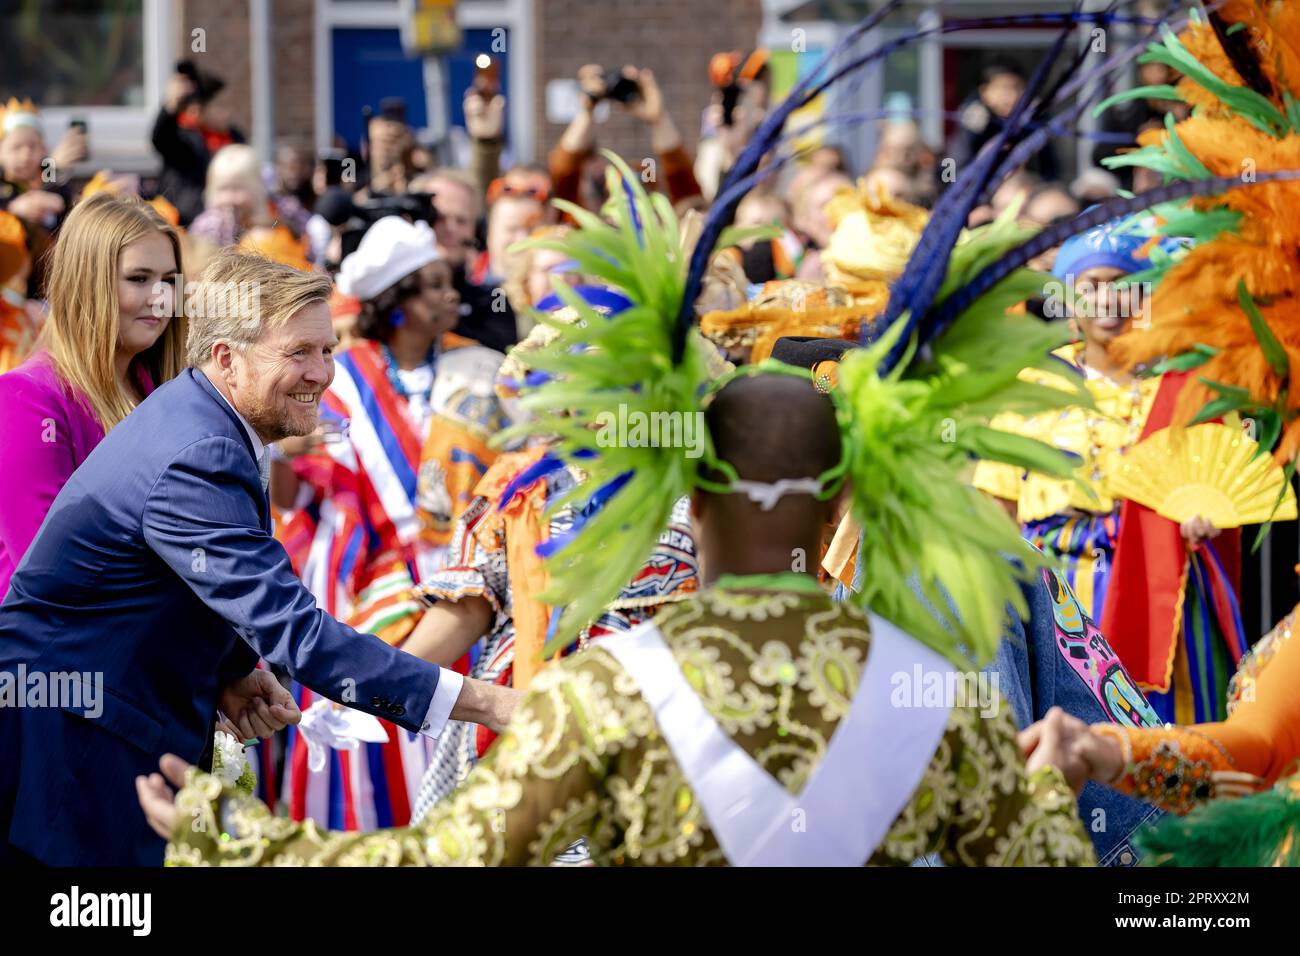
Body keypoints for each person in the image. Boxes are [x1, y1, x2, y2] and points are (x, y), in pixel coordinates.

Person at [143, 372, 1094, 867]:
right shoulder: (928, 695)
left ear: (695, 504)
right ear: (839, 504)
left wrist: (234, 831)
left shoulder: (604, 696)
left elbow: (442, 856)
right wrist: (1052, 779)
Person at [0, 249, 516, 866]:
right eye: (299, 352)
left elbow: (190, 582)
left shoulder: (208, 419)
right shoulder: (200, 451)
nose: (323, 374)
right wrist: (490, 703)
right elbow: (297, 630)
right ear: (227, 358)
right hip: (66, 752)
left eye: (328, 350)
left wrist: (234, 670)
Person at [270, 216, 511, 829]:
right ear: (396, 304)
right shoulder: (340, 381)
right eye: (430, 285)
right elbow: (298, 497)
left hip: (467, 582)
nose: (449, 292)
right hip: (364, 589)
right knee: (368, 741)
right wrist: (269, 455)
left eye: (446, 279)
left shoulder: (480, 367)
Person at [973, 220, 1242, 725]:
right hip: (1056, 589)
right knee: (1072, 725)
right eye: (1090, 287)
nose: (1108, 301)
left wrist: (1207, 517)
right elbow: (997, 509)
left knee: (1176, 733)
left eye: (1123, 285)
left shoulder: (1191, 387)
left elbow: (1224, 477)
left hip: (1164, 589)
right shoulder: (1034, 385)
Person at [0, 193, 184, 599]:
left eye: (170, 281)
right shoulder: (26, 399)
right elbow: (52, 572)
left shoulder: (168, 395)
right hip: (53, 657)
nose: (161, 297)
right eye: (139, 278)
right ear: (87, 282)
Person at [151, 60, 245, 226]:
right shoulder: (183, 137)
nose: (228, 114)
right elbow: (160, 138)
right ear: (198, 109)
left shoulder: (235, 138)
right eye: (221, 106)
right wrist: (171, 105)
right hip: (183, 223)